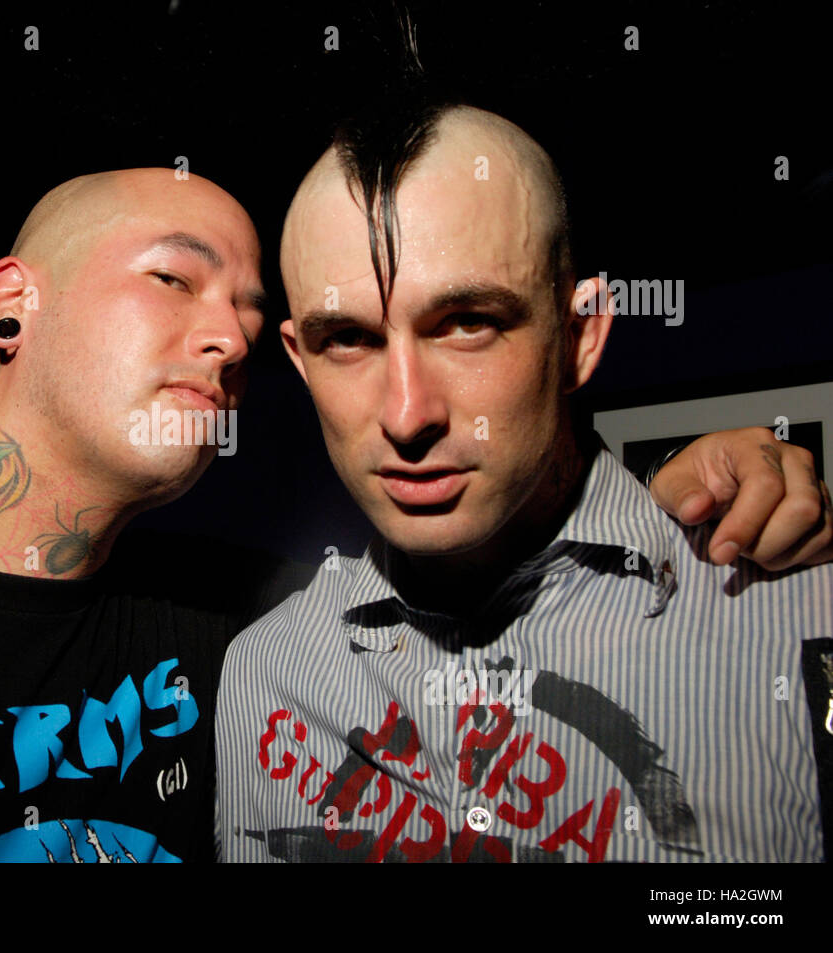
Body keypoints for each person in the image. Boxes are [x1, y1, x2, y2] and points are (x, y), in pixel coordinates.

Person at [0, 168, 825, 864]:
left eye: (259, 319)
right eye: (175, 280)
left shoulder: (239, 623)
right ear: (10, 306)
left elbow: (523, 617)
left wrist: (700, 488)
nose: (230, 337)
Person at [216, 103, 833, 863]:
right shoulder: (265, 677)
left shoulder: (793, 611)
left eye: (468, 321)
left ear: (580, 336)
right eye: (348, 338)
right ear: (301, 361)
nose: (408, 415)